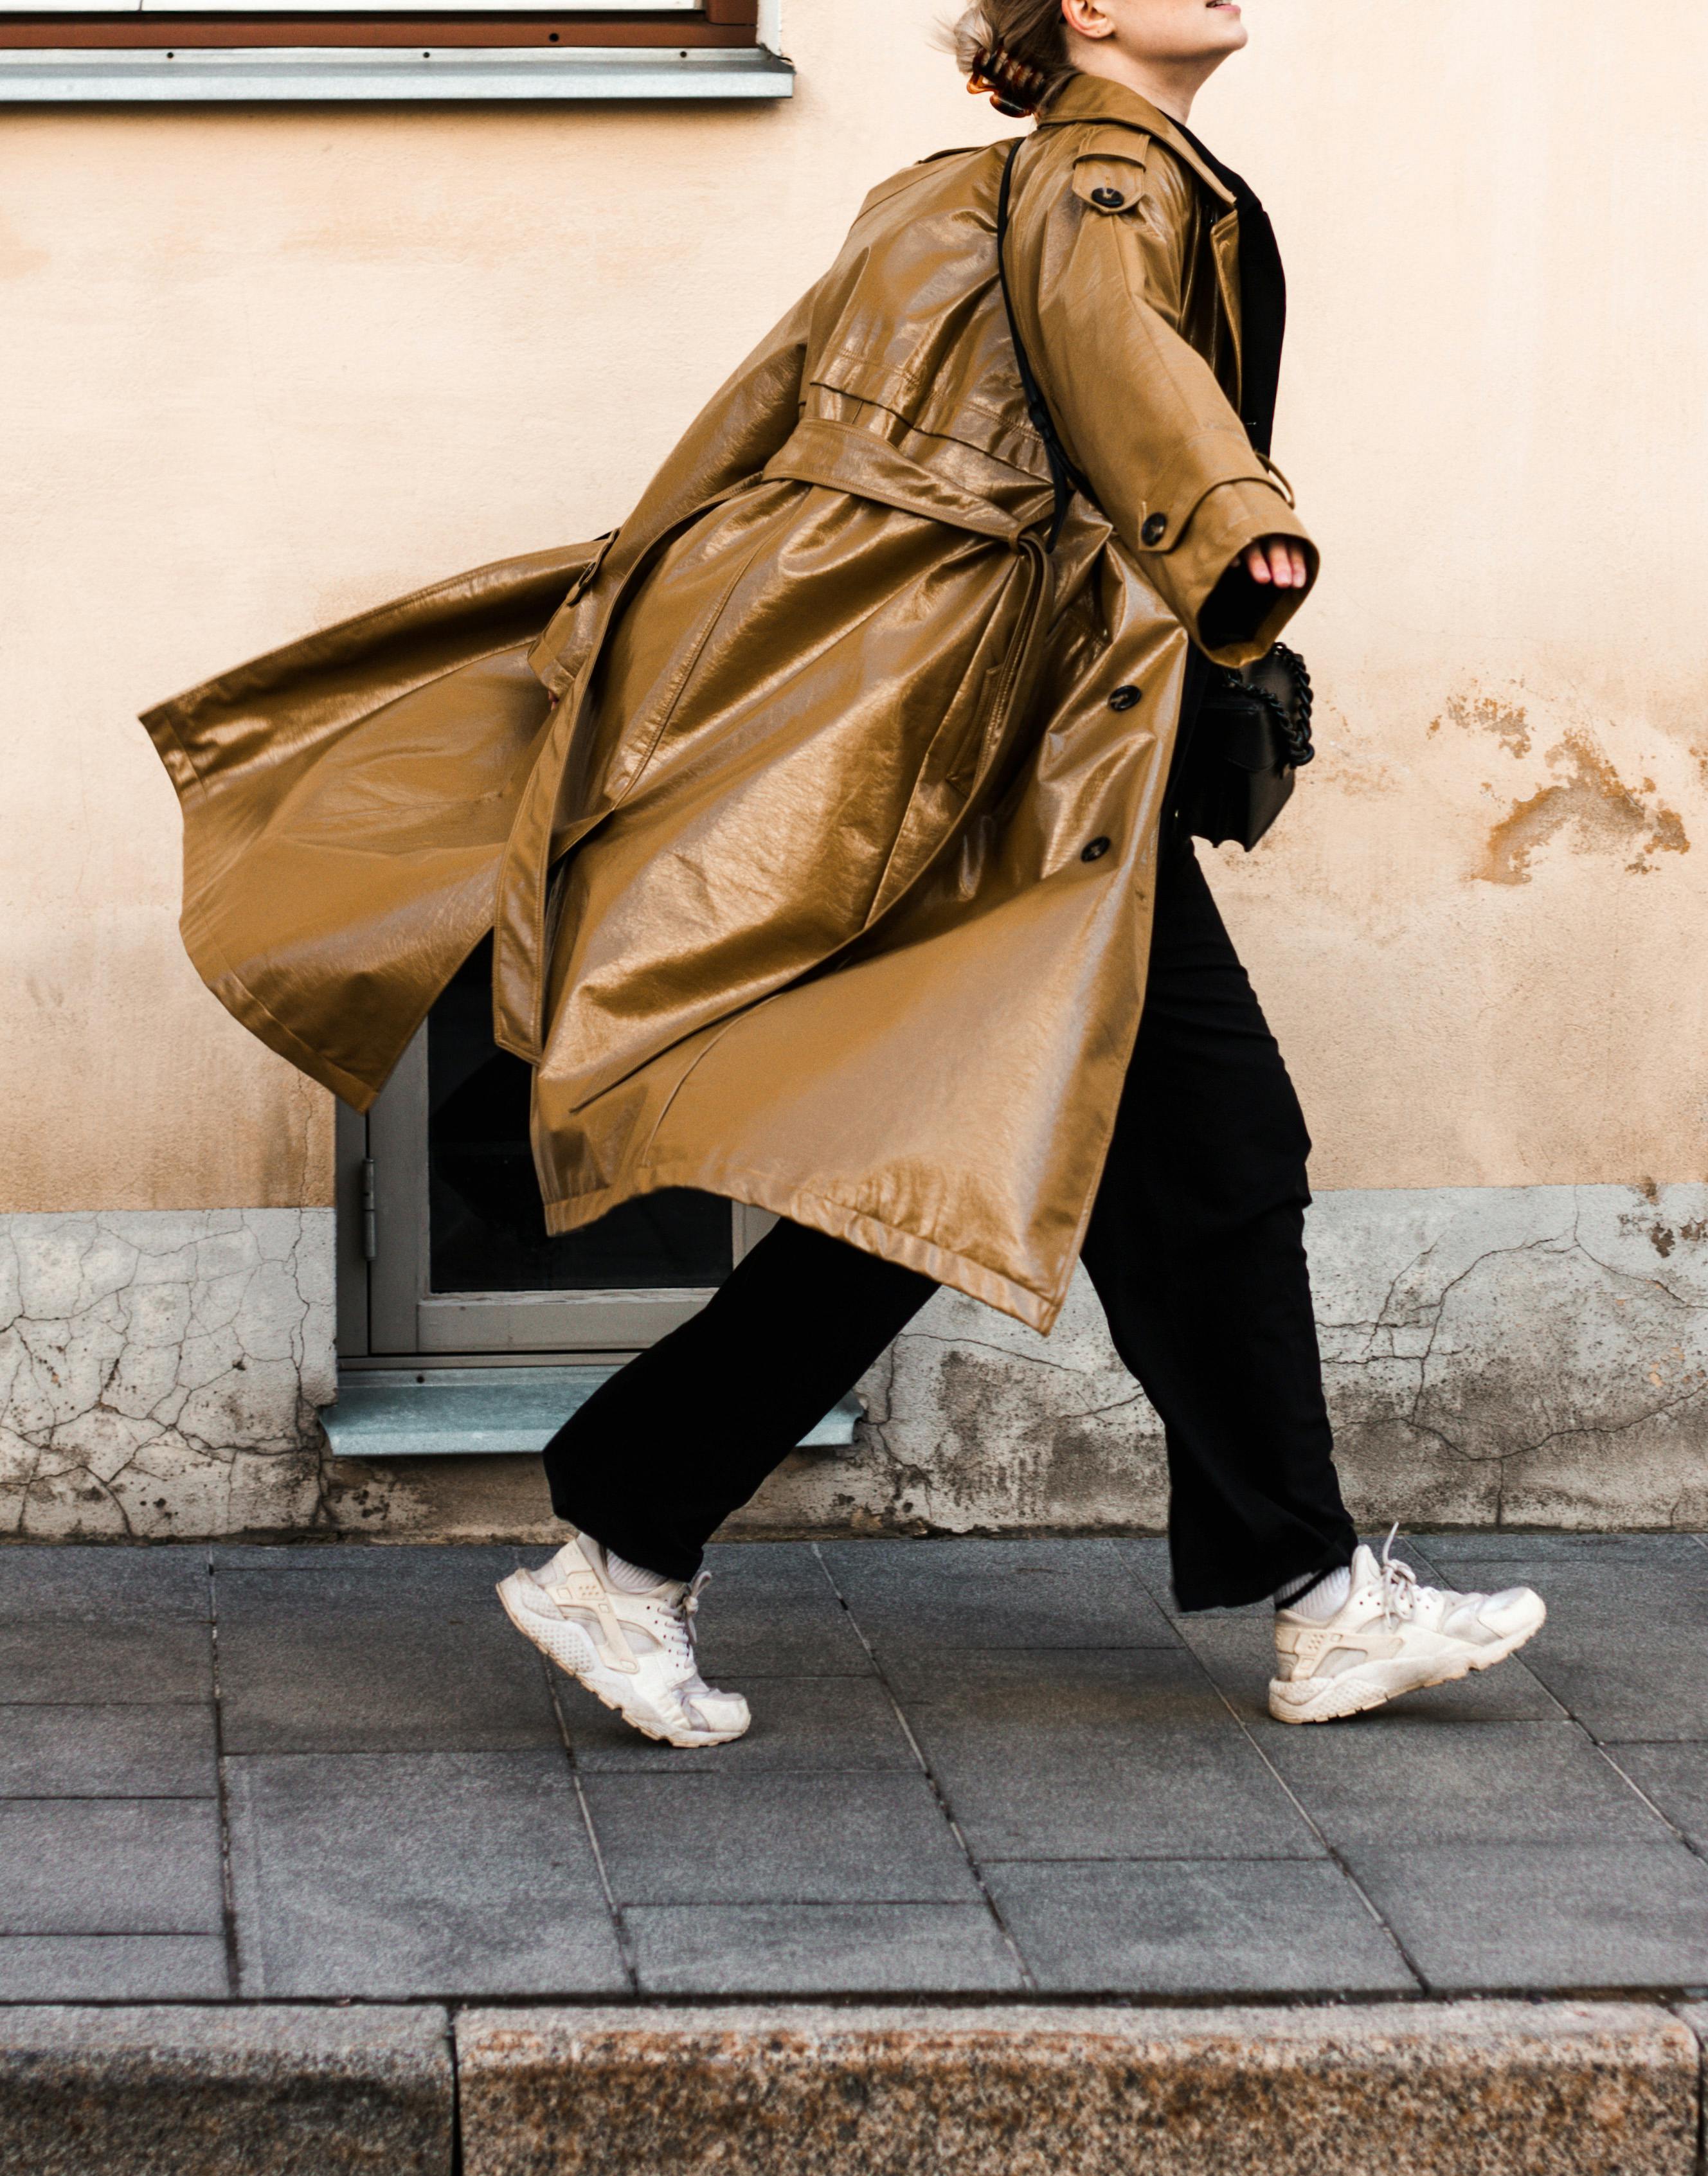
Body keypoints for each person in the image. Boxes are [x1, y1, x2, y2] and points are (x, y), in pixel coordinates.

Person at [145, 0, 1545, 1750]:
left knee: (1133, 1170)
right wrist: (1229, 511)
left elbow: (781, 416)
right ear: (1088, 14)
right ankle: (647, 1543)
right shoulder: (1104, 172)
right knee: (1052, 1169)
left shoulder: (980, 184)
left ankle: (1303, 1593)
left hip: (1011, 773)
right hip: (1012, 789)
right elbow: (1118, 350)